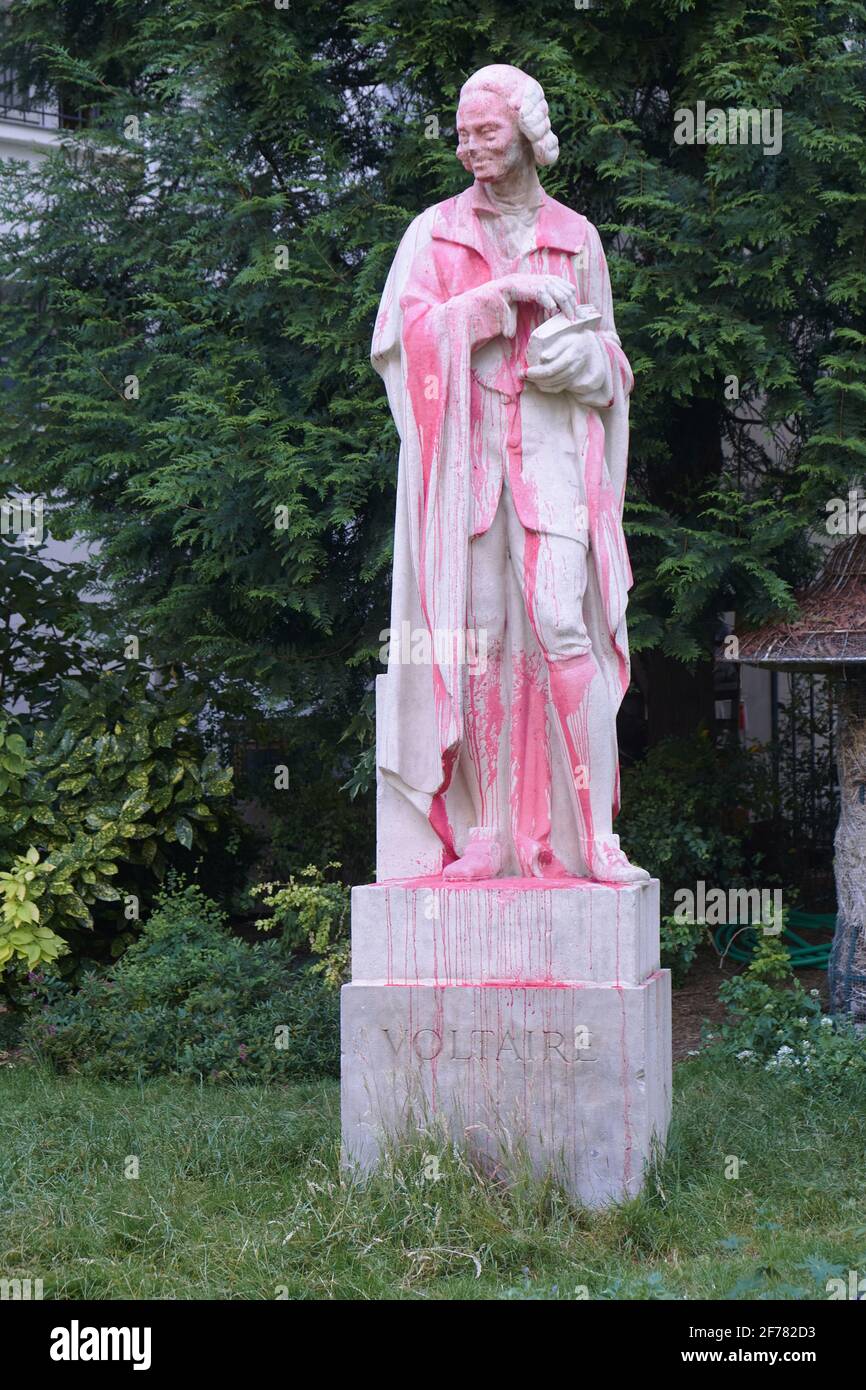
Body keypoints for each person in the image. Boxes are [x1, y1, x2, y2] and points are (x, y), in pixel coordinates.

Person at [372, 63, 648, 885]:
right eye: (461, 135)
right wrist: (500, 299)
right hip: (469, 473)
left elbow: (614, 368)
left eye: (485, 132)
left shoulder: (577, 237)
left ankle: (594, 834)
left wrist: (583, 369)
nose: (470, 148)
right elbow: (402, 346)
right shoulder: (434, 235)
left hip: (554, 466)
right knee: (481, 644)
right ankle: (487, 830)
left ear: (527, 132)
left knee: (566, 626)